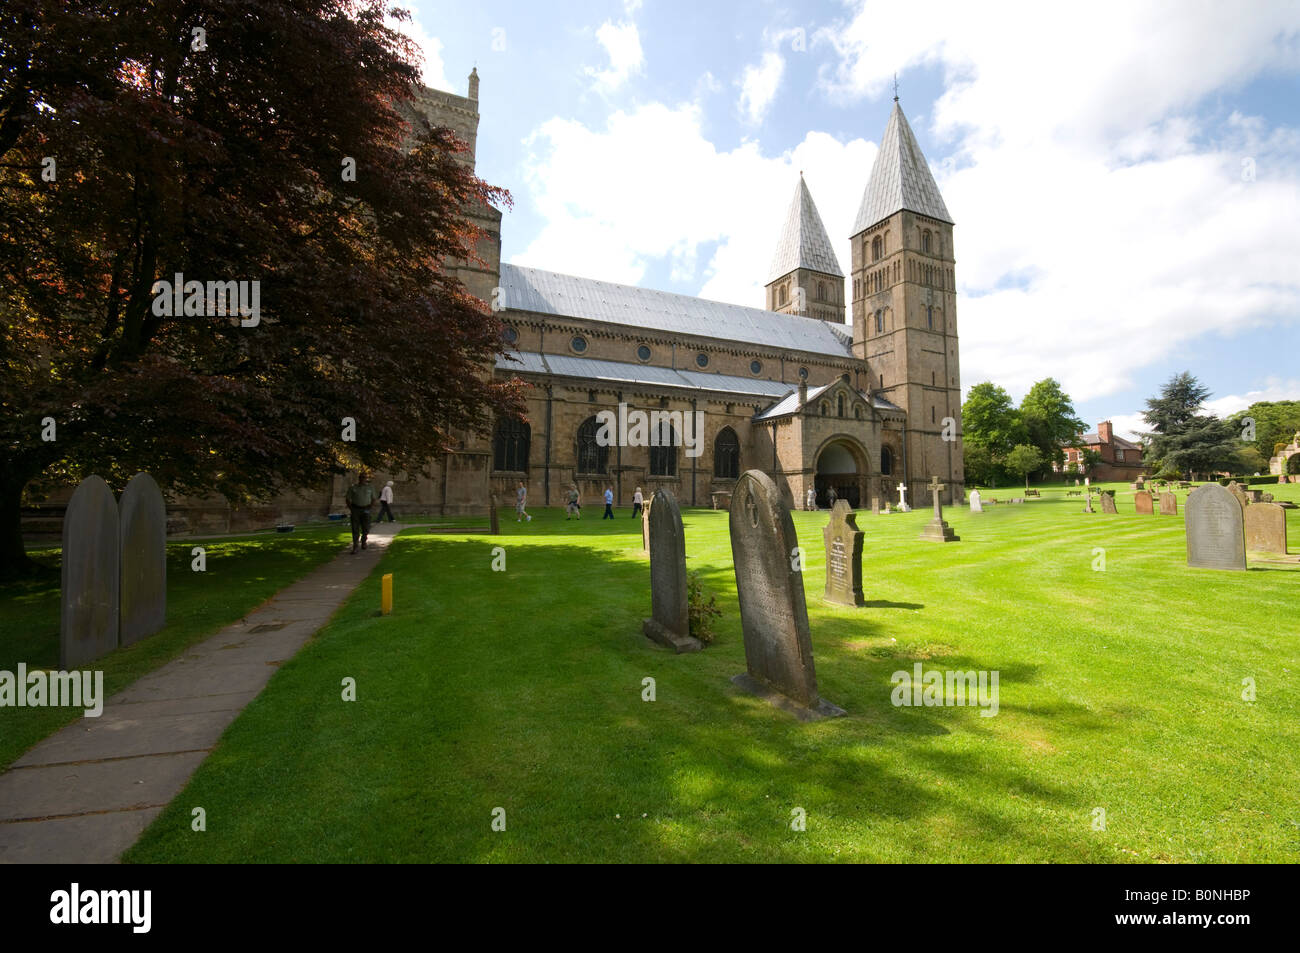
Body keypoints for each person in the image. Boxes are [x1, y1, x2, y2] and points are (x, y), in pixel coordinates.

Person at [345, 471, 376, 553]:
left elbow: (373, 499)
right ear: (359, 478)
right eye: (362, 477)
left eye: (365, 478)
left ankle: (364, 540)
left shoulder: (370, 488)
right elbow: (348, 499)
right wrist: (351, 508)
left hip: (366, 509)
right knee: (355, 528)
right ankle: (355, 546)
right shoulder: (353, 487)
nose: (363, 479)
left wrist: (370, 508)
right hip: (355, 509)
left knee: (366, 527)